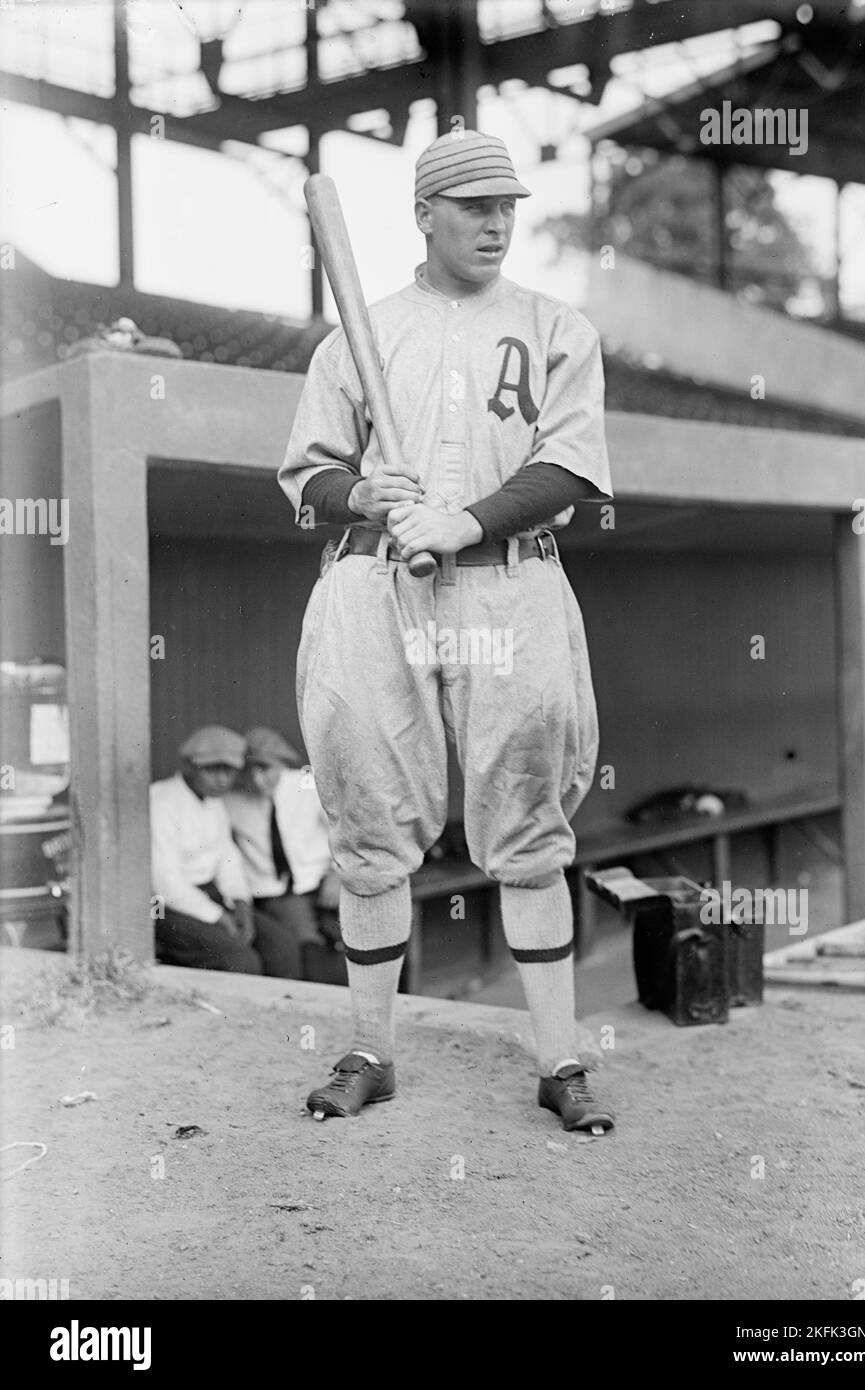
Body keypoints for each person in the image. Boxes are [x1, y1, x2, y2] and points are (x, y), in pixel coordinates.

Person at [279, 130, 615, 1133]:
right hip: (376, 588)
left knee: (529, 824)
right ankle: (369, 1049)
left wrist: (462, 519)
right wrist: (367, 494)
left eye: (507, 202)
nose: (498, 220)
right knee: (370, 823)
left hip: (511, 586)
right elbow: (307, 478)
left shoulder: (561, 326)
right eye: (473, 204)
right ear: (424, 214)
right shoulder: (358, 336)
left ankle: (559, 1060)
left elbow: (574, 465)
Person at [150, 726, 300, 977]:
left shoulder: (214, 801)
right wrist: (218, 916)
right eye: (212, 769)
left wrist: (240, 902)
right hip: (165, 907)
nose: (222, 779)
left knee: (281, 946)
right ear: (189, 766)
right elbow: (166, 884)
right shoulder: (160, 802)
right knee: (241, 961)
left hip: (211, 897)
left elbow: (227, 858)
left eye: (229, 770)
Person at [225, 727, 341, 977]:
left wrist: (338, 873)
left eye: (265, 768)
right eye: (249, 769)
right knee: (307, 950)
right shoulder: (230, 798)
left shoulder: (308, 782)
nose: (256, 779)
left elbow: (344, 828)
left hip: (322, 880)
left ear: (282, 764)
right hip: (274, 891)